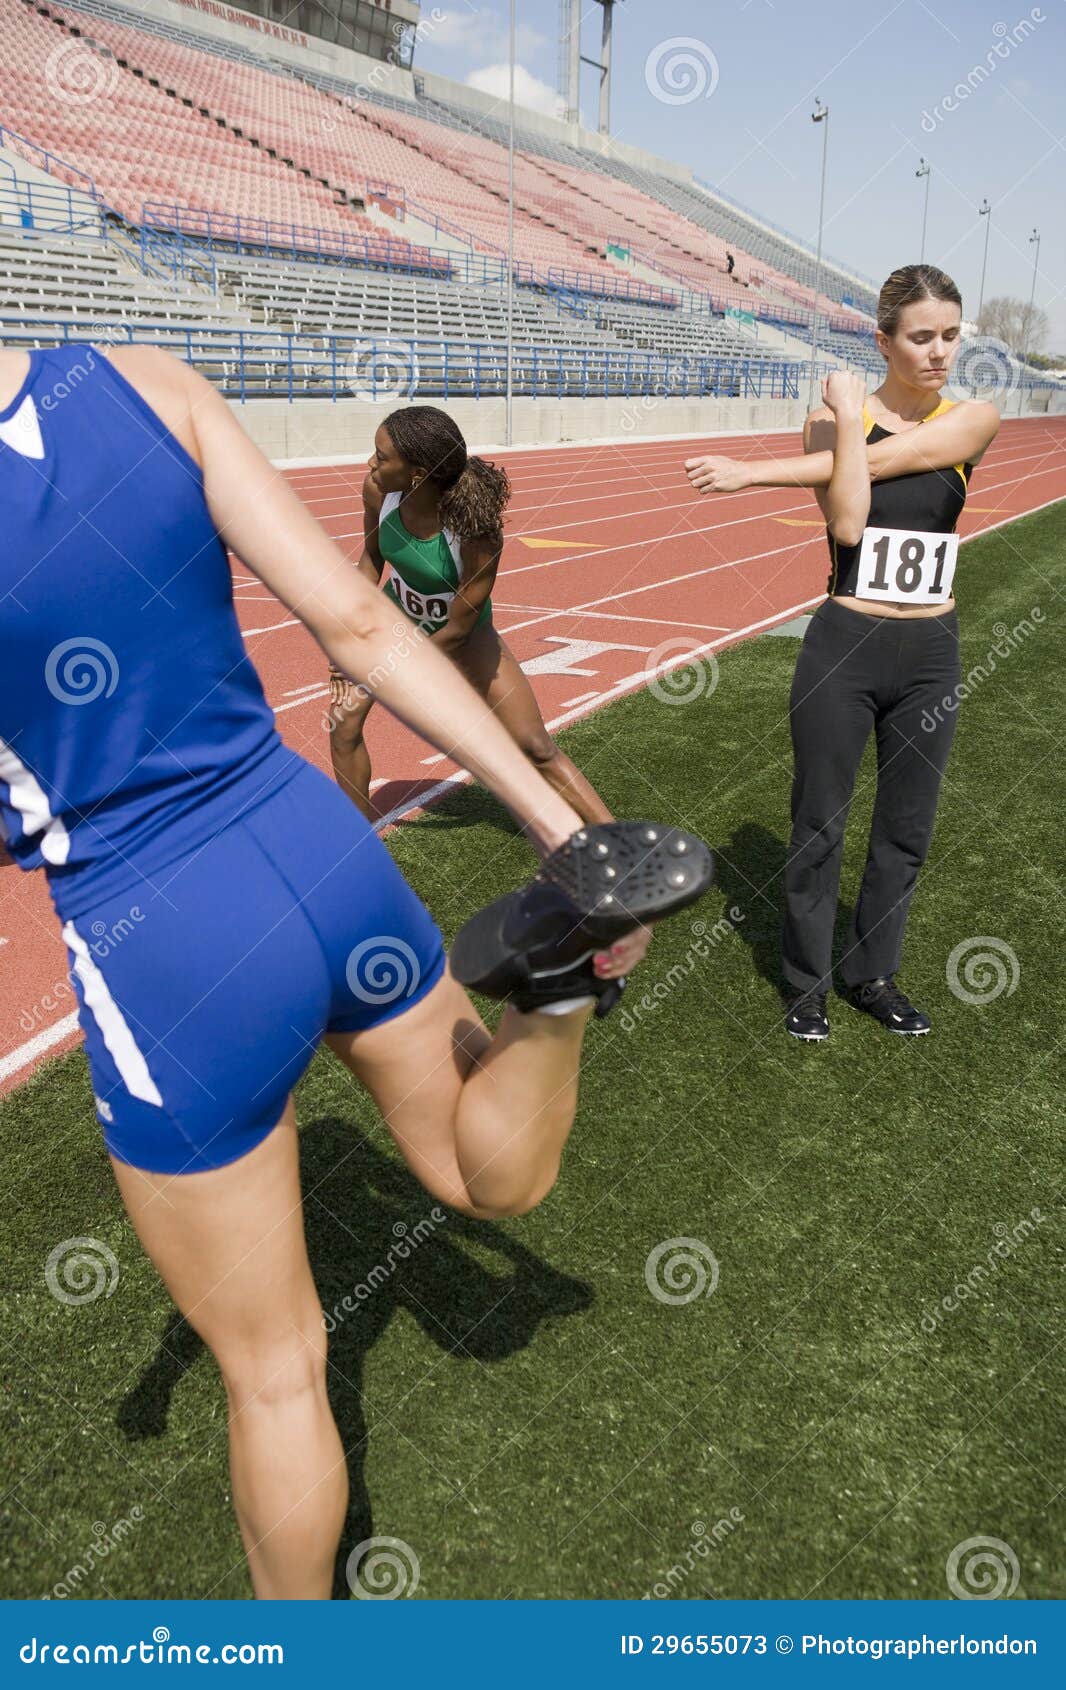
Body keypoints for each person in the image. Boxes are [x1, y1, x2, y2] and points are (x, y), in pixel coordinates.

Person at [0, 342, 713, 1597]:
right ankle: (551, 988)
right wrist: (560, 834)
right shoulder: (145, 382)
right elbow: (357, 621)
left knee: (276, 1372)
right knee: (476, 1173)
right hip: (315, 843)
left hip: (156, 925)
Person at [685, 264, 1000, 1040]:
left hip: (932, 649)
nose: (939, 352)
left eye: (951, 336)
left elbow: (885, 463)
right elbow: (851, 521)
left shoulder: (974, 418)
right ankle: (806, 985)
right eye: (921, 337)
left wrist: (753, 472)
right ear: (883, 339)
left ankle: (874, 975)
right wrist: (847, 417)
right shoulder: (831, 423)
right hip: (845, 645)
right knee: (819, 822)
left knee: (906, 829)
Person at [328, 405, 612, 825]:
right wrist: (348, 635)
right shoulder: (377, 492)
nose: (371, 463)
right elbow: (371, 560)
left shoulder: (475, 527)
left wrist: (388, 668)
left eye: (382, 457)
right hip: (394, 624)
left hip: (462, 635)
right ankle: (356, 843)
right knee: (343, 722)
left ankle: (619, 842)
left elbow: (459, 627)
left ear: (418, 473)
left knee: (534, 746)